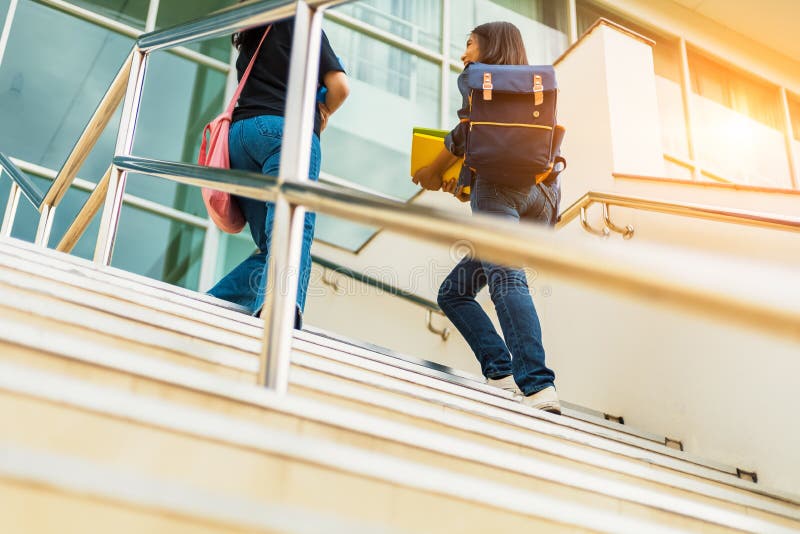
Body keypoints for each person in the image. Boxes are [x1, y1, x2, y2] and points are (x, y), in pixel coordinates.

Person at [413, 22, 561, 414]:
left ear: (489, 47)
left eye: (468, 45)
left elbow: (465, 133)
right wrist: (462, 185)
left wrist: (432, 172)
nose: (463, 55)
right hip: (543, 199)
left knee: (506, 276)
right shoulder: (535, 88)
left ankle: (537, 384)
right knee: (454, 292)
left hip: (498, 190)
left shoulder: (480, 84)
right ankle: (500, 371)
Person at [208, 17, 349, 328]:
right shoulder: (303, 20)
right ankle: (280, 325)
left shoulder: (251, 27)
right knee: (293, 234)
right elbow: (340, 87)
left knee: (273, 247)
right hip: (286, 135)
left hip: (241, 138)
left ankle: (210, 306)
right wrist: (323, 110)